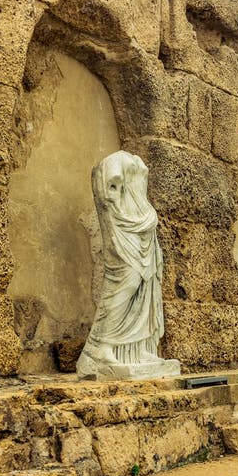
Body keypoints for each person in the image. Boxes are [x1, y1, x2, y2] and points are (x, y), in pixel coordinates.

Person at [77, 151, 179, 380]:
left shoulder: (133, 162)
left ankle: (138, 349)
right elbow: (107, 190)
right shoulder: (116, 161)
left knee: (146, 287)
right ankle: (100, 347)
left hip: (142, 230)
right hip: (126, 227)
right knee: (127, 282)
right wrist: (115, 205)